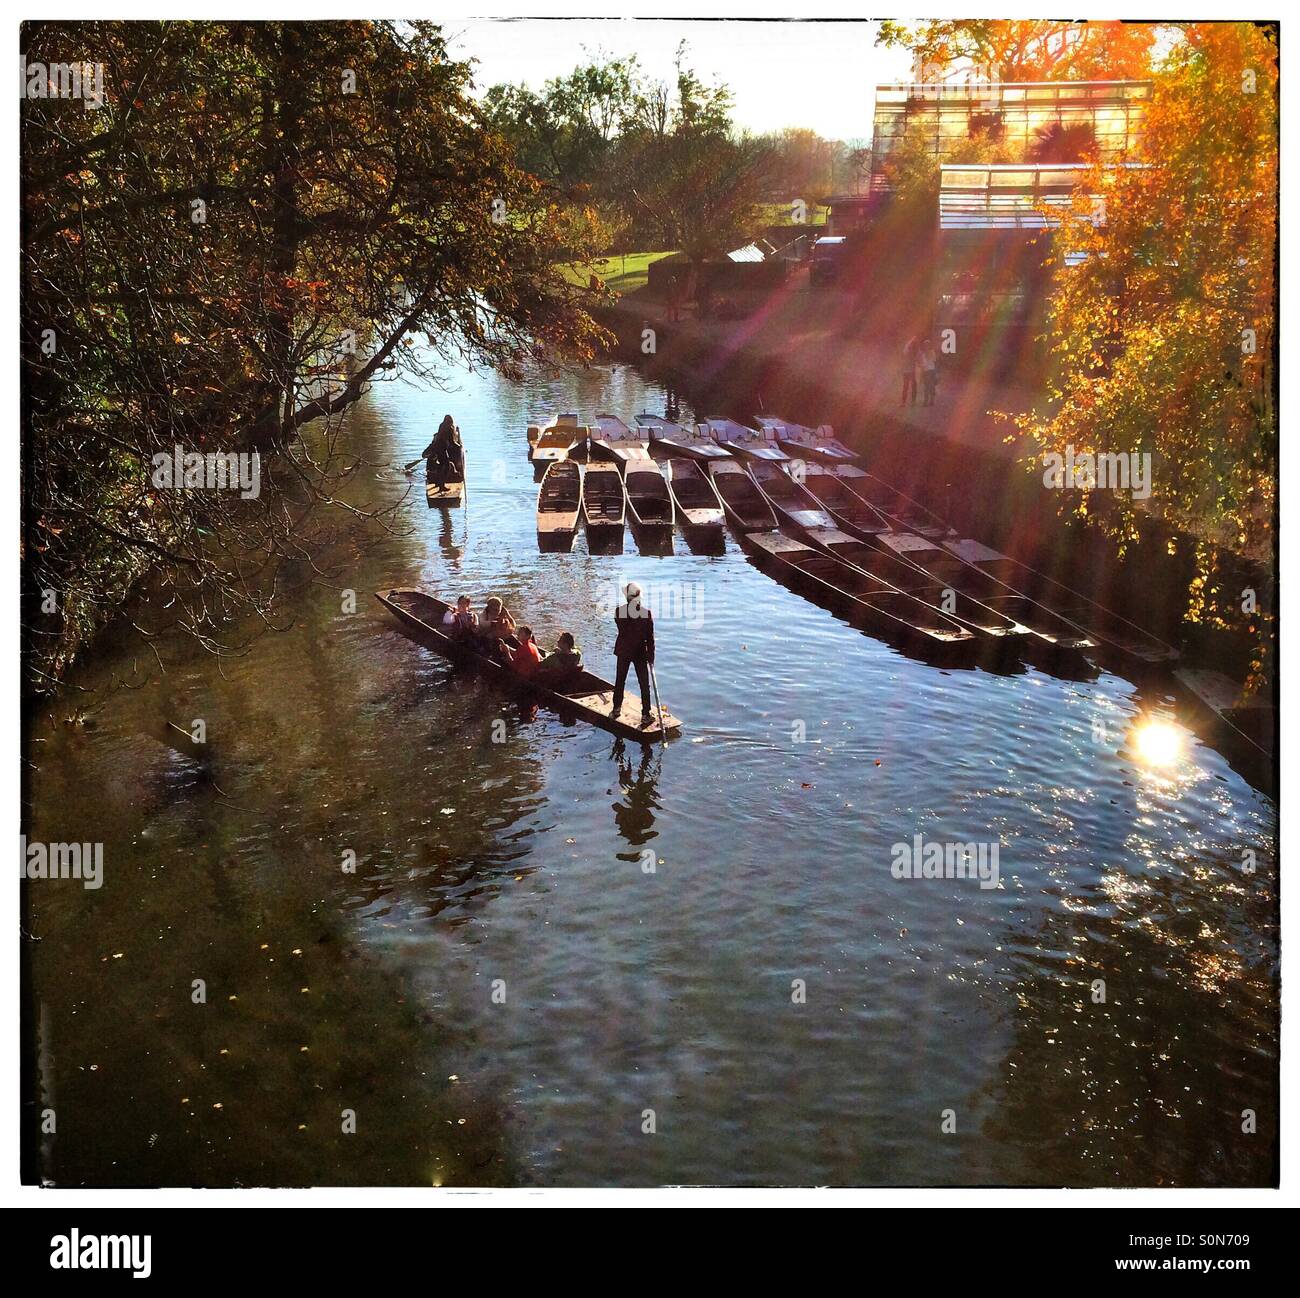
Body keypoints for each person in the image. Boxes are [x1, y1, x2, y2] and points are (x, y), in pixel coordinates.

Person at [611, 582, 655, 727]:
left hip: (624, 650)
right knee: (644, 684)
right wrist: (651, 657)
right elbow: (650, 638)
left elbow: (621, 626)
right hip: (640, 652)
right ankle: (646, 714)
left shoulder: (619, 612)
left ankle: (616, 708)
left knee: (620, 680)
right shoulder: (646, 613)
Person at [423, 414, 463, 490]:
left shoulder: (441, 426)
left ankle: (437, 483)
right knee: (446, 467)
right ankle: (441, 486)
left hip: (436, 448)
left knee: (441, 466)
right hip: (441, 449)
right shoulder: (450, 428)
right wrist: (459, 446)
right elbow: (452, 442)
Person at [919, 338, 938, 407]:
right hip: (926, 371)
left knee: (931, 386)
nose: (926, 346)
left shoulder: (931, 352)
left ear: (929, 345)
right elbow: (921, 363)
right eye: (925, 345)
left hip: (931, 370)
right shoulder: (922, 353)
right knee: (926, 386)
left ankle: (931, 400)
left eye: (927, 345)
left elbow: (934, 360)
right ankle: (926, 401)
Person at [901, 335, 919, 407]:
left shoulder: (912, 352)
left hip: (911, 370)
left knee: (911, 386)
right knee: (907, 386)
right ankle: (905, 402)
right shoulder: (908, 352)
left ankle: (910, 402)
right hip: (908, 370)